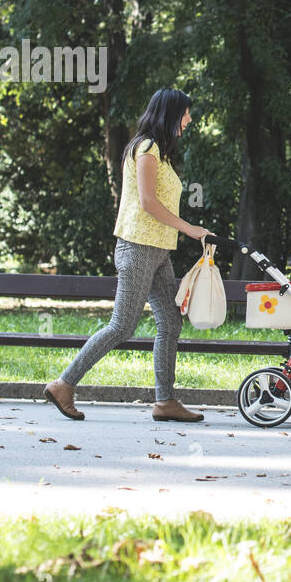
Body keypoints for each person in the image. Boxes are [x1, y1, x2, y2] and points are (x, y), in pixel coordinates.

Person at [43, 88, 213, 424]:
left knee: (170, 322)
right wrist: (190, 228)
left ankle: (165, 401)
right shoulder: (146, 147)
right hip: (138, 247)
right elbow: (148, 202)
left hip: (158, 251)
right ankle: (64, 384)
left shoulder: (160, 153)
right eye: (185, 113)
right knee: (122, 325)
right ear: (170, 113)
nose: (189, 119)